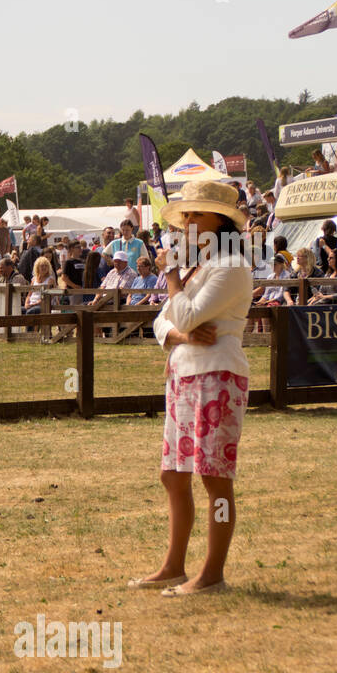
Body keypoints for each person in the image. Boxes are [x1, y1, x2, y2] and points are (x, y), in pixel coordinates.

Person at [133, 180, 254, 598]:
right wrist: (180, 336)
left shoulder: (230, 265)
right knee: (173, 475)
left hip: (217, 377)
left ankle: (212, 574)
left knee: (214, 478)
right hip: (185, 376)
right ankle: (173, 566)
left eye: (194, 215)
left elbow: (180, 315)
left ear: (218, 222)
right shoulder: (200, 267)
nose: (186, 223)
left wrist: (169, 275)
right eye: (185, 216)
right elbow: (162, 323)